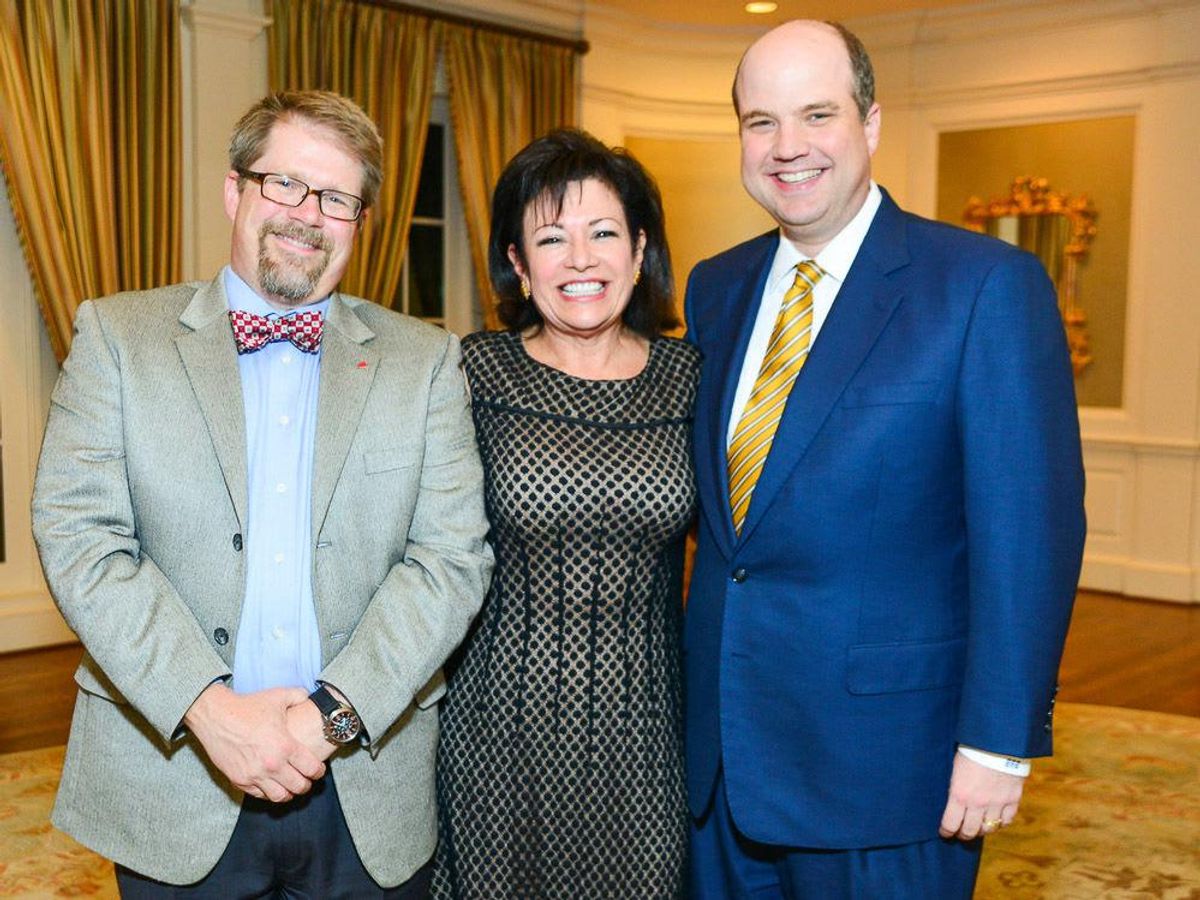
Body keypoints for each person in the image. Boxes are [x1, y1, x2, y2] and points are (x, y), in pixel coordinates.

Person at [31, 90, 493, 896]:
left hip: (365, 784)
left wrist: (332, 718)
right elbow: (80, 537)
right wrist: (208, 709)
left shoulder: (426, 361)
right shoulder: (116, 336)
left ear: (360, 221)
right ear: (235, 190)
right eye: (284, 183)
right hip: (174, 777)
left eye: (337, 198)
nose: (307, 214)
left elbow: (450, 562)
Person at [683, 20, 1087, 898]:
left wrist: (998, 740)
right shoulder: (715, 287)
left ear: (870, 124)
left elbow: (1028, 532)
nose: (787, 148)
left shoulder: (984, 287)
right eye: (761, 122)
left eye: (816, 115)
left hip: (890, 771)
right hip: (720, 763)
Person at [432, 129, 698, 899]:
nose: (581, 259)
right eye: (551, 237)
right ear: (518, 262)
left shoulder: (692, 380)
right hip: (498, 739)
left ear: (640, 247)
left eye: (603, 232)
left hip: (647, 738)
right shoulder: (471, 372)